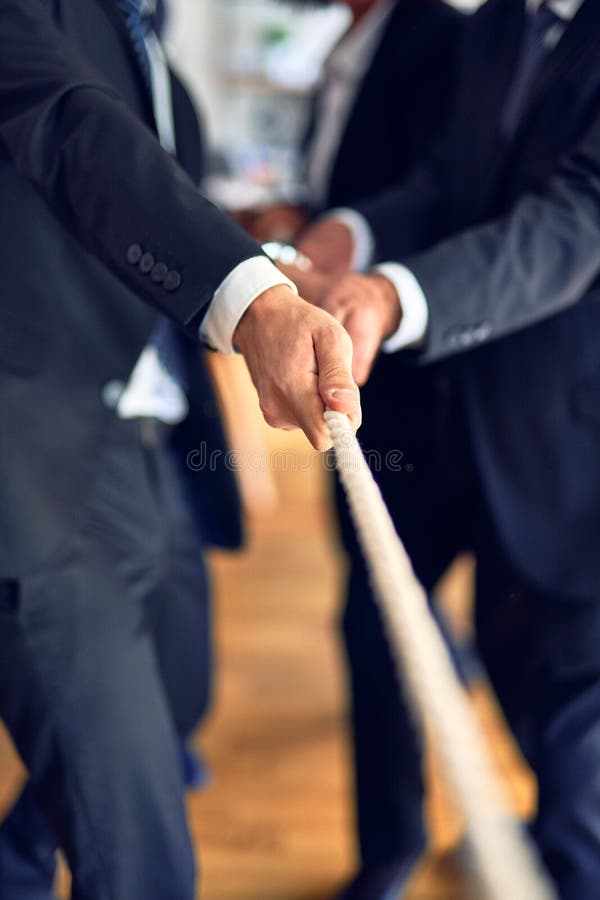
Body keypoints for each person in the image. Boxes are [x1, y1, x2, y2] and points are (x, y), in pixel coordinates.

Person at [0, 2, 361, 899]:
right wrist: (258, 305)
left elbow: (148, 197)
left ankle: (13, 859)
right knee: (147, 863)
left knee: (185, 693)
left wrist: (278, 259)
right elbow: (76, 132)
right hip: (32, 452)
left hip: (145, 435)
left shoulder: (146, 40)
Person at [293, 1, 600, 898]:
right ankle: (391, 853)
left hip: (574, 452)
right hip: (442, 421)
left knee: (573, 757)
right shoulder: (501, 23)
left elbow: (575, 222)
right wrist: (347, 234)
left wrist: (390, 297)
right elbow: (445, 180)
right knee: (379, 625)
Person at [245, 3, 464, 898]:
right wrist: (308, 223)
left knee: (376, 623)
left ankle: (391, 847)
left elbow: (445, 193)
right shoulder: (346, 44)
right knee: (383, 609)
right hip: (360, 368)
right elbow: (370, 188)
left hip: (418, 374)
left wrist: (359, 270)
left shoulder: (442, 35)